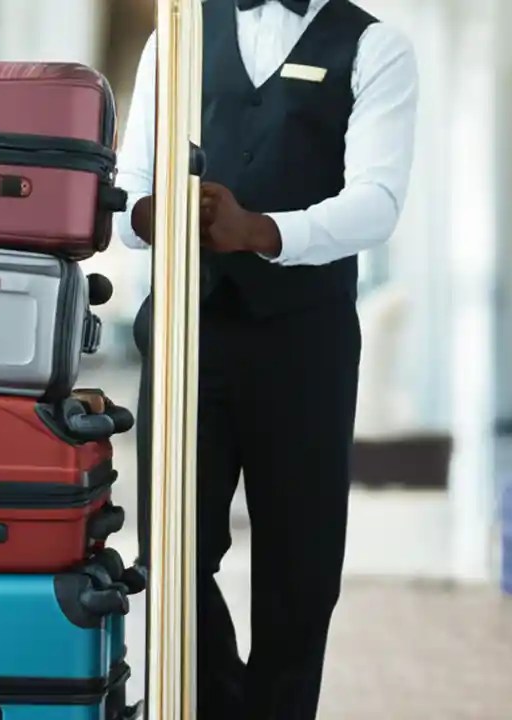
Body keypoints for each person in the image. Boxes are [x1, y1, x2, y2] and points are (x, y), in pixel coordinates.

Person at [114, 0, 419, 716]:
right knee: (174, 555)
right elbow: (128, 185)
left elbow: (377, 201)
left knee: (301, 575)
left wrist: (261, 231)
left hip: (305, 344)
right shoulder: (177, 38)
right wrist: (151, 214)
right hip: (189, 337)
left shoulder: (376, 47)